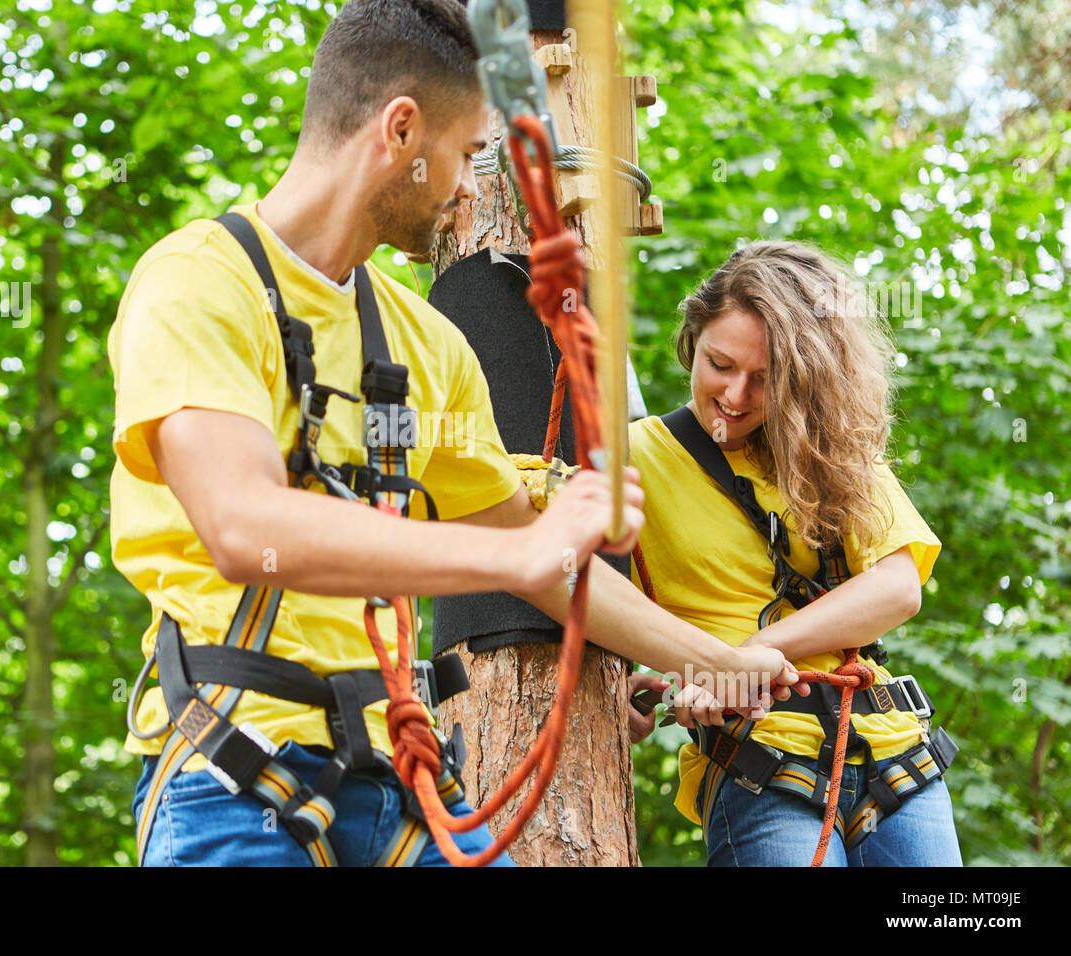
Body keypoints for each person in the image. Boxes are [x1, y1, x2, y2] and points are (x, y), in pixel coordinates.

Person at [108, 0, 799, 868]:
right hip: (234, 774)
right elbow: (245, 526)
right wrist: (520, 556)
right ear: (402, 129)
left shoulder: (425, 342)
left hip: (400, 781)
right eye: (469, 155)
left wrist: (723, 658)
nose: (473, 188)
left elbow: (540, 558)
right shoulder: (200, 283)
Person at [627, 240, 963, 866]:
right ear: (690, 340)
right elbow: (577, 581)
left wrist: (751, 654)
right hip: (761, 764)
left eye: (764, 379)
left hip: (893, 754)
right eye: (719, 364)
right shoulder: (635, 457)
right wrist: (626, 682)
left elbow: (897, 587)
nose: (734, 394)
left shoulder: (828, 451)